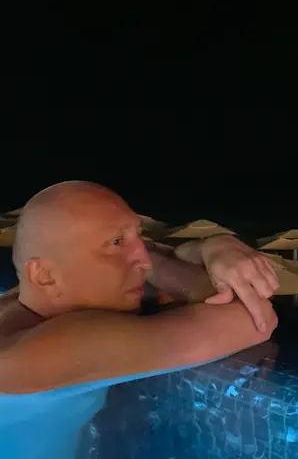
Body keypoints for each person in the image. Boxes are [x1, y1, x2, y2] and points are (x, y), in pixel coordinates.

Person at [0, 181, 278, 458]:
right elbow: (252, 317)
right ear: (45, 276)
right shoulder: (52, 351)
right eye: (116, 242)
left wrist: (212, 248)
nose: (144, 261)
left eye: (139, 237)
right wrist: (210, 249)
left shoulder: (17, 308)